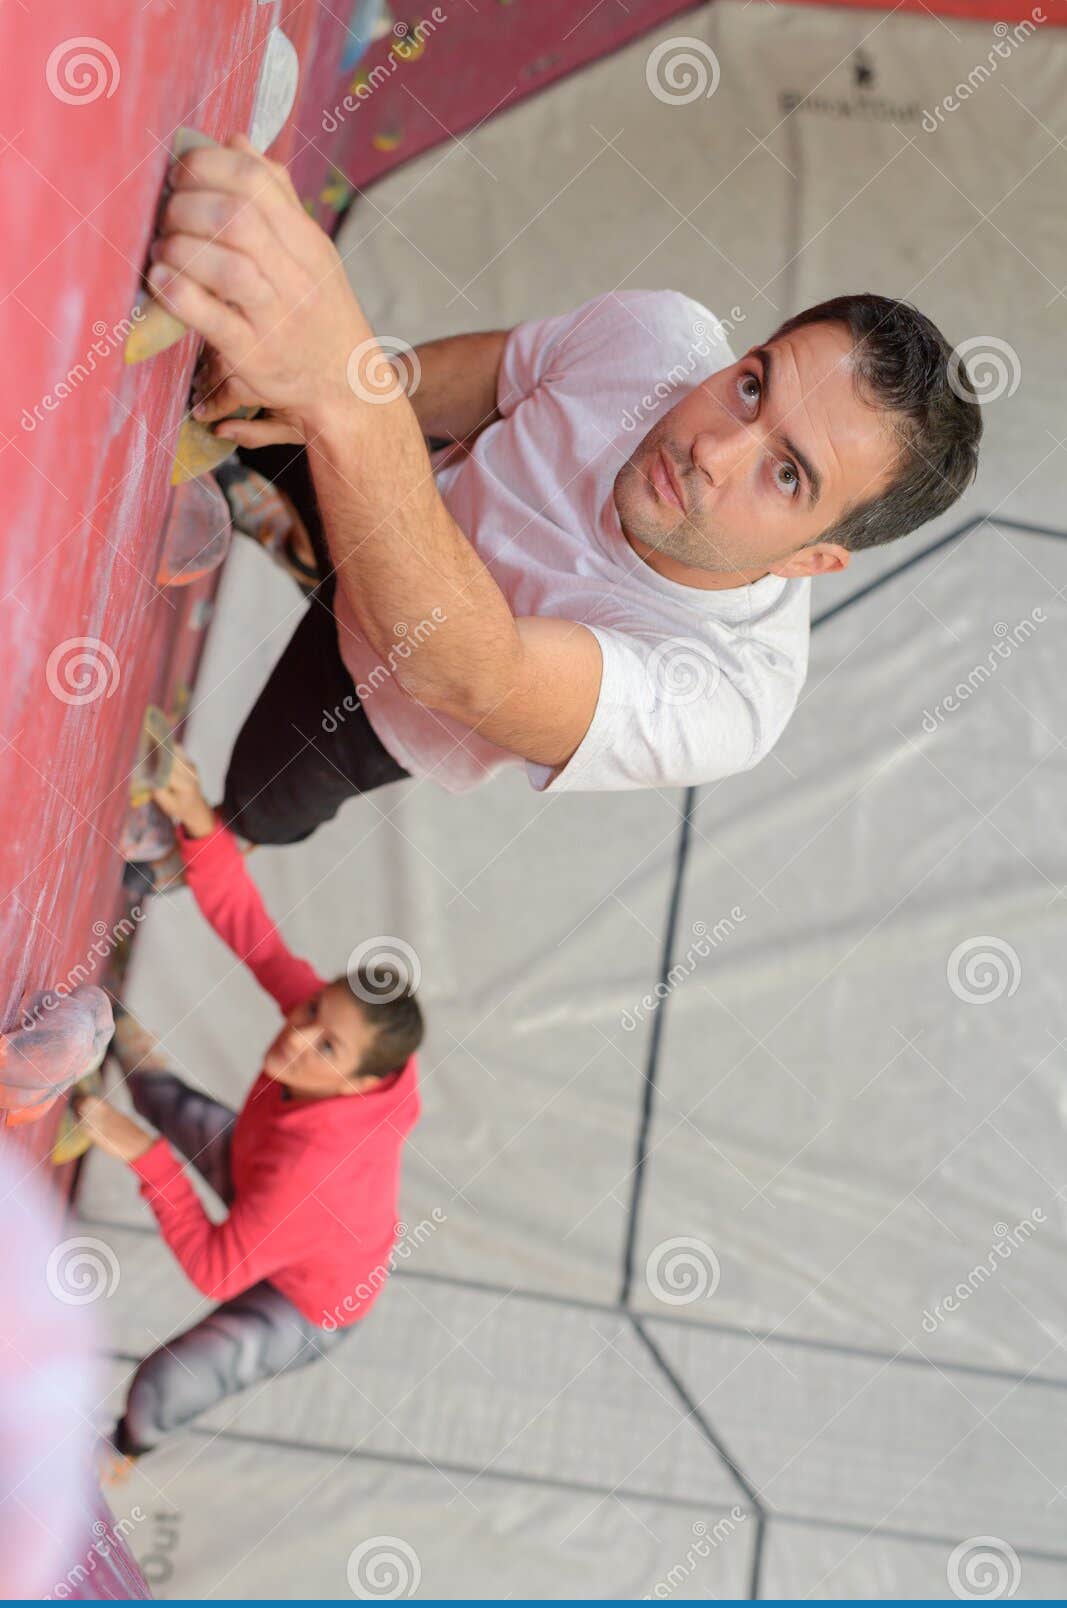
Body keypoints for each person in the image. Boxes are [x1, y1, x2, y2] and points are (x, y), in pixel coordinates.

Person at [148, 136, 982, 844]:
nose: (714, 449)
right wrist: (329, 388)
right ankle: (294, 526)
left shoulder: (725, 697)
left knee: (261, 806)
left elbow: (465, 671)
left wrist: (339, 390)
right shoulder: (660, 339)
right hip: (417, 491)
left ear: (812, 559)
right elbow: (475, 385)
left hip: (381, 697)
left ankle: (232, 811)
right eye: (754, 385)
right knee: (241, 386)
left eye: (788, 472)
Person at [77, 752, 423, 1459]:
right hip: (275, 1182)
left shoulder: (308, 1174)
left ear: (360, 1084)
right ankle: (104, 1021)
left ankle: (122, 1454)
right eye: (312, 1012)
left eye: (325, 1048)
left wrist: (146, 1158)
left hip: (311, 1299)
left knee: (166, 1385)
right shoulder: (352, 1041)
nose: (297, 1037)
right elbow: (251, 931)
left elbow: (215, 1270)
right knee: (161, 1096)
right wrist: (201, 821)